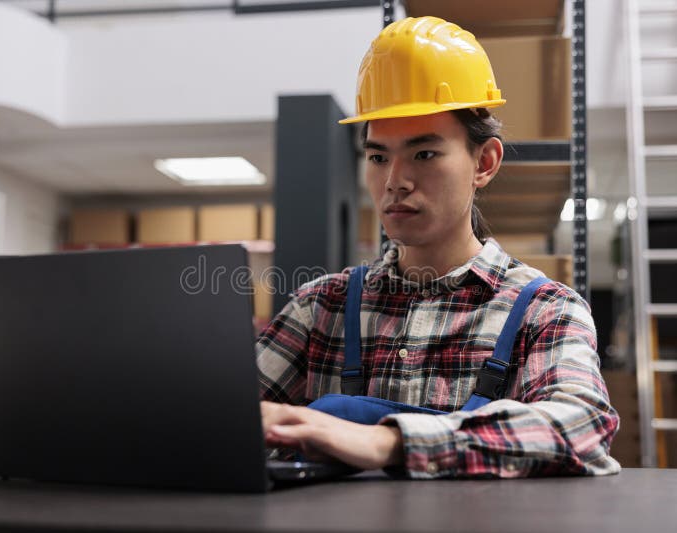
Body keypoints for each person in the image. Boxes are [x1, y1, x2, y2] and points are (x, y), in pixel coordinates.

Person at [257, 16, 620, 478]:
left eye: (424, 154)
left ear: (484, 162)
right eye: (378, 156)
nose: (394, 181)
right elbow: (222, 418)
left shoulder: (545, 311)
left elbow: (581, 426)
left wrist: (389, 441)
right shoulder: (320, 308)